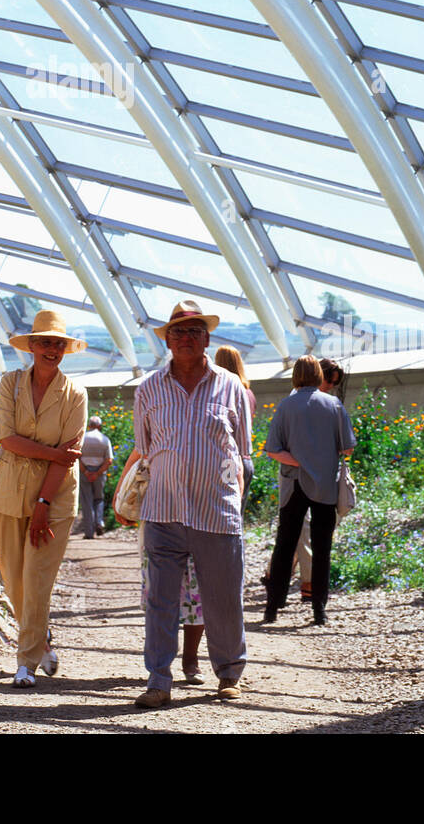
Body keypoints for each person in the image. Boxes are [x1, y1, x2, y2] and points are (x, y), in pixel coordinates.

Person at [133, 300, 251, 708]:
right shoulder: (148, 388)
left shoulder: (230, 386)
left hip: (215, 511)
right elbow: (146, 449)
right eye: (178, 331)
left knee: (222, 598)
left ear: (207, 339)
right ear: (166, 339)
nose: (186, 338)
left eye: (195, 331)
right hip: (163, 510)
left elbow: (243, 453)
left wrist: (234, 499)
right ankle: (158, 680)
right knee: (160, 601)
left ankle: (229, 673)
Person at [0, 309, 87, 688]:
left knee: (37, 577)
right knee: (13, 579)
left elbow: (69, 457)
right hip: (9, 491)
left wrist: (44, 505)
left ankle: (25, 662)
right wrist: (53, 453)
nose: (51, 349)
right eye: (44, 342)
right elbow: (7, 438)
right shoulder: (10, 383)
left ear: (65, 350)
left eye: (57, 344)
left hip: (55, 494)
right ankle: (42, 640)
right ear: (31, 346)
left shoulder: (75, 394)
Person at [263, 355, 355, 627]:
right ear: (318, 374)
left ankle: (272, 608)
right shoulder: (334, 405)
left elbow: (272, 450)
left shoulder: (285, 406)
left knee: (285, 545)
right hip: (325, 484)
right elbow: (347, 447)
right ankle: (319, 610)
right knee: (322, 547)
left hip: (293, 485)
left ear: (295, 376)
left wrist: (298, 460)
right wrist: (321, 455)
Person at [114, 444, 208, 686]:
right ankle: (160, 665)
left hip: (201, 511)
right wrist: (121, 494)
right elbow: (138, 452)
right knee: (160, 590)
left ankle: (190, 660)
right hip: (157, 513)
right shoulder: (160, 410)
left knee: (197, 589)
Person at [213, 345, 257, 509]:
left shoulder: (226, 393)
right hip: (245, 460)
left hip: (229, 461)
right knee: (236, 514)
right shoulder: (248, 392)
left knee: (225, 512)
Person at [78, 416, 113, 538]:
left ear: (89, 426)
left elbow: (77, 456)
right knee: (99, 499)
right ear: (99, 426)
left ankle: (88, 532)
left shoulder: (83, 438)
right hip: (100, 473)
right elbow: (109, 460)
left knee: (86, 501)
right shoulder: (105, 439)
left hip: (84, 472)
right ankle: (99, 522)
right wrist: (97, 473)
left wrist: (87, 472)